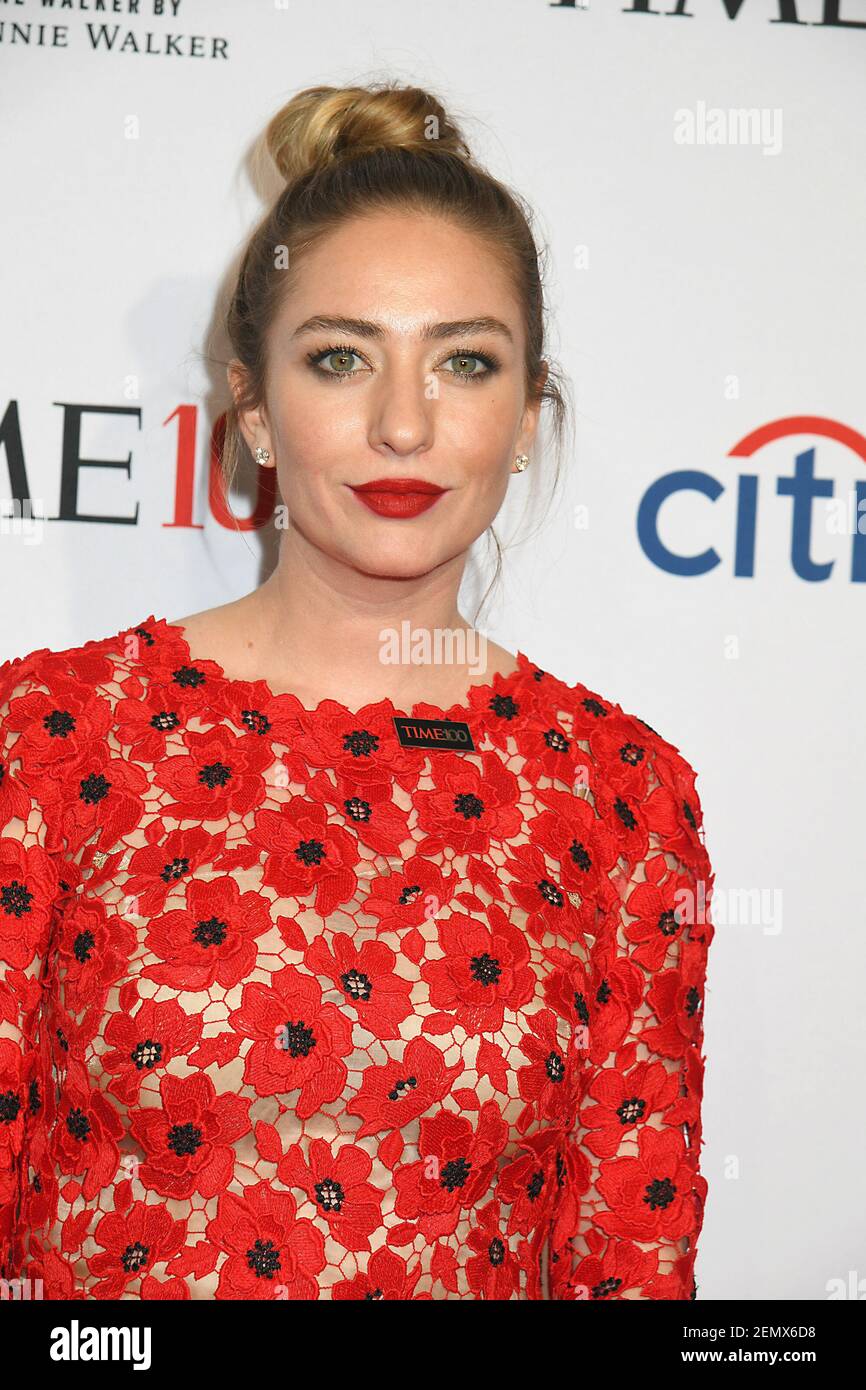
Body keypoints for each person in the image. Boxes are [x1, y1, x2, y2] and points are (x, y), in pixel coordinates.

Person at [0, 80, 714, 1300]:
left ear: (528, 416)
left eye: (464, 363)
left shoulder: (621, 794)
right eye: (340, 358)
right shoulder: (53, 736)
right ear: (253, 410)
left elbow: (627, 1266)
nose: (401, 424)